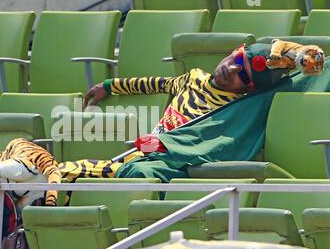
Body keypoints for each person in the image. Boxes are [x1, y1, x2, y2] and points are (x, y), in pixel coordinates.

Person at [59, 42, 290, 184]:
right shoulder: (194, 77)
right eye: (237, 59)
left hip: (167, 165)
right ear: (234, 50)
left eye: (242, 73)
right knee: (60, 174)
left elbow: (202, 148)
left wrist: (157, 146)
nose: (231, 68)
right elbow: (159, 84)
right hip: (139, 156)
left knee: (72, 174)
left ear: (248, 87)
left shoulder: (233, 111)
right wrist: (109, 86)